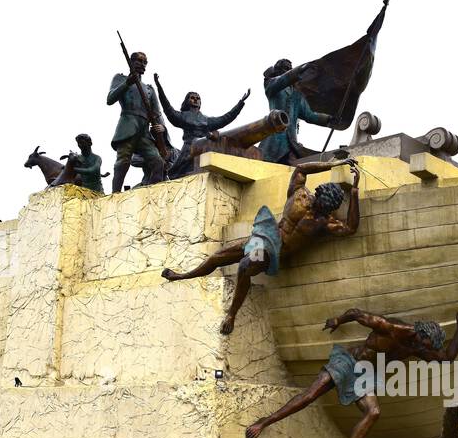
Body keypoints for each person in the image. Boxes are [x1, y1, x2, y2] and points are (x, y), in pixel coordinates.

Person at [246, 307, 458, 438]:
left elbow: (446, 358)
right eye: (427, 345)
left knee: (373, 412)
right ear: (421, 335)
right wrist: (337, 320)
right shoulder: (391, 328)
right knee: (310, 396)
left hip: (365, 375)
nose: (426, 351)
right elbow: (356, 313)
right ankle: (263, 422)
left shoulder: (418, 346)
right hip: (348, 361)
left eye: (429, 348)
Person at [161, 157, 361, 334]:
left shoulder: (324, 222)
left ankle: (231, 314)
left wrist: (354, 191)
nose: (318, 210)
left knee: (245, 267)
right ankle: (183, 275)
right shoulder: (299, 195)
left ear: (329, 209)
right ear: (318, 195)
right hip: (265, 237)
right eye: (319, 205)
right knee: (218, 257)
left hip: (276, 253)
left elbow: (351, 227)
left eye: (323, 209)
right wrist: (333, 164)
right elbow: (301, 169)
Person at [154, 75, 249, 178]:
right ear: (187, 101)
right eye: (192, 98)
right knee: (175, 174)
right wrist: (159, 87)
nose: (195, 100)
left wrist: (240, 103)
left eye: (198, 98)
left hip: (204, 148)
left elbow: (226, 118)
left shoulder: (206, 120)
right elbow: (168, 110)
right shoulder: (183, 116)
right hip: (188, 149)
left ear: (200, 103)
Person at [106, 51, 168, 192]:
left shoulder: (149, 89)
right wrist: (127, 83)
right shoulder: (120, 78)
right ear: (131, 61)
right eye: (139, 61)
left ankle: (151, 192)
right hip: (127, 126)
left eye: (145, 62)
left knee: (158, 162)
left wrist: (162, 127)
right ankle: (114, 194)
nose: (142, 64)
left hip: (144, 131)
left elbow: (157, 114)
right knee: (123, 161)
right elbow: (110, 99)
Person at [258, 59, 334, 164]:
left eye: (290, 69)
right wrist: (298, 71)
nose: (289, 70)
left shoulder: (296, 94)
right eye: (286, 68)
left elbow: (309, 115)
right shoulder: (271, 85)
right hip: (274, 142)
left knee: (294, 168)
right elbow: (281, 80)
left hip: (291, 144)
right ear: (278, 70)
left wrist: (328, 119)